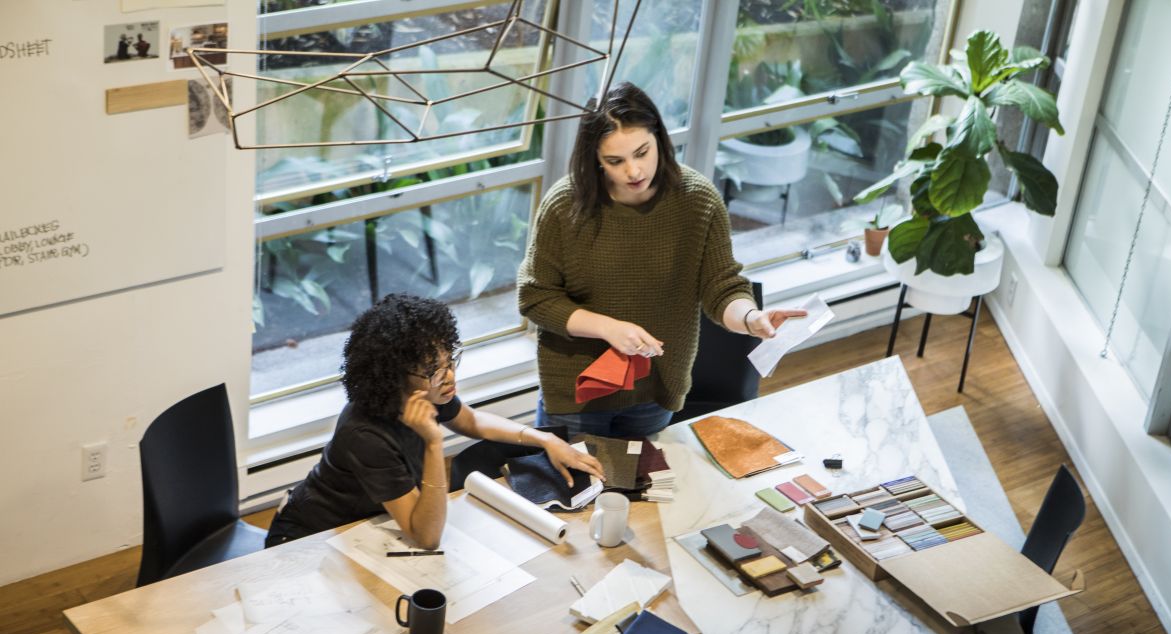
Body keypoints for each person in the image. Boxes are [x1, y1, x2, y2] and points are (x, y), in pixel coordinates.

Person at [518, 82, 805, 439]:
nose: (634, 171)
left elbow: (721, 286)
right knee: (574, 490)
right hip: (577, 391)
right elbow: (535, 297)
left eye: (642, 152)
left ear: (659, 138)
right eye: (615, 161)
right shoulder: (565, 206)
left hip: (657, 386)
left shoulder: (697, 200)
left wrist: (750, 318)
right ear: (594, 158)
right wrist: (609, 328)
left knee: (642, 485)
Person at [266, 293, 604, 550]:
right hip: (309, 538)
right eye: (433, 369)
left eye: (450, 359)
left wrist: (545, 440)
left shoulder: (426, 392)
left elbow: (472, 421)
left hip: (368, 523)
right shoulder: (365, 434)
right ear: (395, 377)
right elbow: (424, 537)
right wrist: (433, 442)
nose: (449, 376)